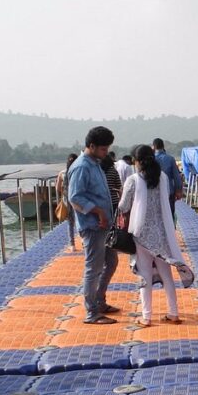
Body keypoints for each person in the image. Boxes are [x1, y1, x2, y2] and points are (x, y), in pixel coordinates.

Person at [118, 145, 184, 326]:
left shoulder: (133, 180)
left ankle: (146, 317)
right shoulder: (162, 178)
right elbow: (167, 197)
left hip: (141, 235)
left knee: (144, 275)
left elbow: (123, 206)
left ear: (137, 161)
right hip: (162, 232)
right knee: (166, 275)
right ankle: (173, 313)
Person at [67, 126, 120, 324]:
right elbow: (75, 198)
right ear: (92, 146)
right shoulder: (82, 166)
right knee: (94, 267)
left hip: (104, 224)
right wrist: (97, 211)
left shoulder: (95, 163)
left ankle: (100, 299)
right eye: (103, 149)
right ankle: (92, 312)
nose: (106, 153)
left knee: (112, 262)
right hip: (92, 225)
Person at [152, 138, 182, 217]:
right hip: (169, 192)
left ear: (153, 147)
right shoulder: (170, 159)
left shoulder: (151, 159)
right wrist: (178, 190)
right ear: (163, 146)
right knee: (169, 216)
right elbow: (176, 177)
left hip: (154, 193)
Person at [55, 152, 78, 251]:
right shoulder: (78, 171)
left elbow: (58, 188)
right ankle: (83, 240)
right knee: (79, 220)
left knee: (70, 223)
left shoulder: (62, 173)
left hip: (66, 201)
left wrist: (65, 194)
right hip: (78, 200)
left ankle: (72, 244)